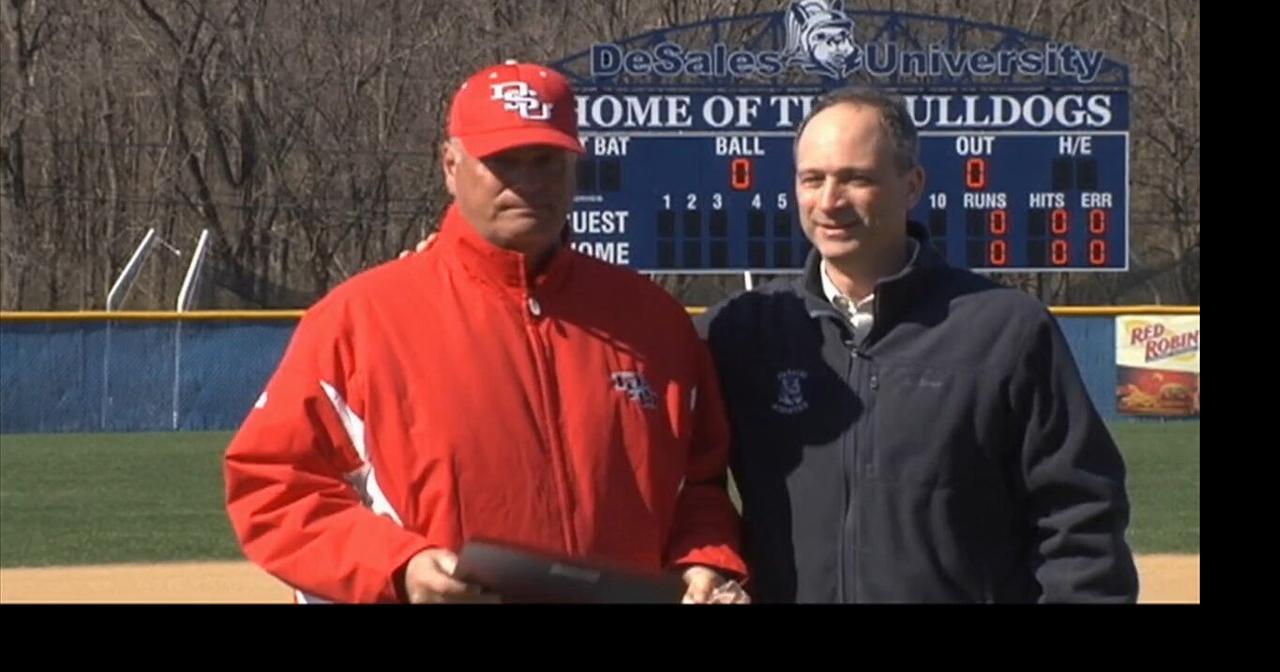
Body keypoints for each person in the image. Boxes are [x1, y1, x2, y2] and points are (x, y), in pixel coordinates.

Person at [224, 60, 747, 604]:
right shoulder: (360, 319)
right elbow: (275, 485)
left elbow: (700, 487)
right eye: (502, 162)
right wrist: (398, 566)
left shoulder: (652, 321)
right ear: (451, 165)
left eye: (546, 160)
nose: (527, 183)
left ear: (575, 167)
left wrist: (702, 563)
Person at [696, 86, 1140, 603]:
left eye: (857, 178)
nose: (830, 201)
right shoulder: (741, 331)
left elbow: (1080, 523)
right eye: (812, 179)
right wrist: (707, 566)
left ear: (912, 186)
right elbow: (679, 486)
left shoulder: (1006, 331)